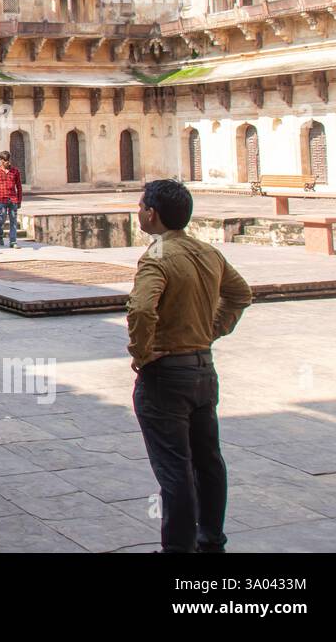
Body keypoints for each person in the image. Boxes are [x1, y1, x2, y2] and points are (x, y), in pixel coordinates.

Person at [127, 180, 252, 553]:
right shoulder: (206, 252)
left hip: (167, 375)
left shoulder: (158, 256)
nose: (138, 212)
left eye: (140, 206)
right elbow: (240, 293)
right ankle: (211, 540)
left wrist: (142, 352)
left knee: (175, 470)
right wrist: (211, 330)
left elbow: (141, 308)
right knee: (208, 461)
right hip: (202, 369)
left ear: (151, 213)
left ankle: (178, 549)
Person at [0, 151, 24, 249]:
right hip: (2, 199)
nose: (7, 163)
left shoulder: (15, 171)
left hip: (13, 199)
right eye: (5, 161)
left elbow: (19, 186)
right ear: (1, 160)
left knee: (13, 220)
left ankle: (13, 241)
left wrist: (19, 200)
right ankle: (0, 236)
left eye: (8, 160)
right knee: (1, 219)